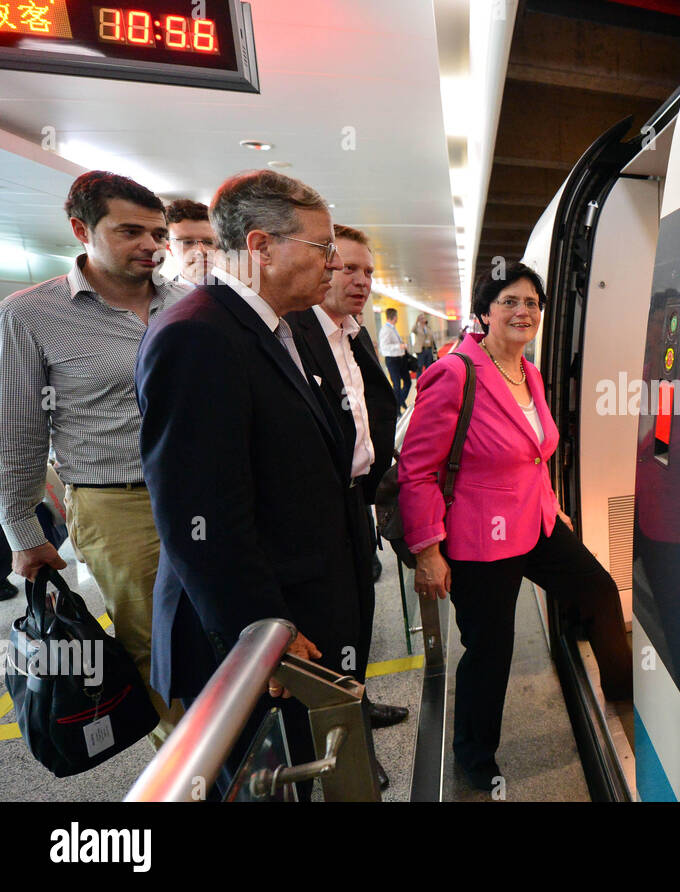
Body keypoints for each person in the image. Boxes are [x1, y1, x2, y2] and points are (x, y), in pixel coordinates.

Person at [136, 169, 374, 800]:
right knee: (257, 780)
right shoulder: (198, 336)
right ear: (262, 246)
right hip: (250, 634)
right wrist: (260, 630)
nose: (332, 263)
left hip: (300, 602)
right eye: (322, 247)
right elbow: (199, 515)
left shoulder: (283, 326)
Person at [398, 261, 632, 791]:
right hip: (481, 537)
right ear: (484, 312)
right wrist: (428, 550)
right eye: (509, 301)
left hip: (537, 522)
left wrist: (550, 500)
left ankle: (622, 689)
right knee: (491, 648)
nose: (523, 311)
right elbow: (417, 469)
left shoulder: (528, 371)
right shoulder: (455, 373)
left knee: (597, 589)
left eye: (532, 303)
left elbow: (533, 453)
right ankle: (474, 757)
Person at [0, 170, 189, 748]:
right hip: (120, 507)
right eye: (130, 231)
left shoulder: (188, 304)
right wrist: (22, 531)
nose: (151, 246)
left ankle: (244, 743)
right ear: (81, 229)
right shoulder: (30, 315)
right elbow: (19, 431)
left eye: (158, 233)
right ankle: (195, 770)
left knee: (230, 624)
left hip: (209, 496)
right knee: (156, 643)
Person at [283, 223, 406, 788]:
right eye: (347, 267)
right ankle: (346, 748)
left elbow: (369, 411)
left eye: (367, 272)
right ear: (324, 267)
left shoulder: (350, 333)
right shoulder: (295, 334)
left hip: (356, 499)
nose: (359, 280)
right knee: (328, 625)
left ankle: (357, 703)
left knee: (359, 612)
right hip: (317, 511)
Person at [164, 199, 217, 287]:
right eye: (187, 242)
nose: (201, 251)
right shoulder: (155, 299)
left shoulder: (242, 295)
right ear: (169, 248)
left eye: (209, 242)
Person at [379, 307, 411, 411]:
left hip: (400, 359)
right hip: (392, 361)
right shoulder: (385, 330)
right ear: (394, 317)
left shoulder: (393, 328)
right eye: (397, 316)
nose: (397, 318)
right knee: (396, 385)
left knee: (408, 382)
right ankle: (397, 410)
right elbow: (383, 348)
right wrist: (399, 346)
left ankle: (400, 401)